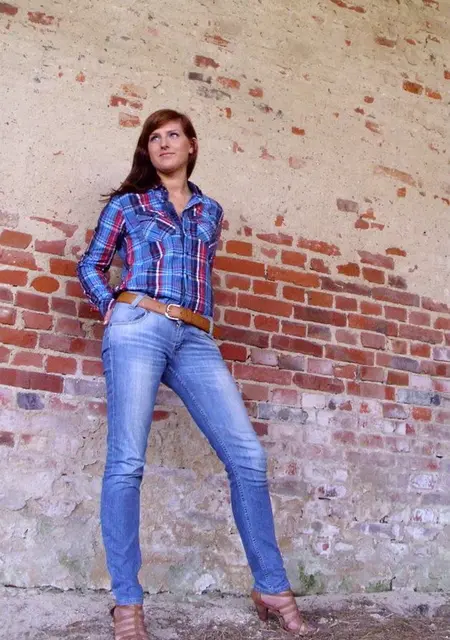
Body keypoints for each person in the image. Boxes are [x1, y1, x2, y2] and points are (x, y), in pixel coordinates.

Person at [77, 109, 316, 639]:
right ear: (147, 150)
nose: (164, 143)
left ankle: (271, 586)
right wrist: (111, 307)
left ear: (191, 146)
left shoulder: (210, 211)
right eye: (154, 138)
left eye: (173, 135)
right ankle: (127, 603)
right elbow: (90, 264)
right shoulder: (128, 204)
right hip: (139, 325)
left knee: (248, 457)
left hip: (195, 336)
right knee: (126, 463)